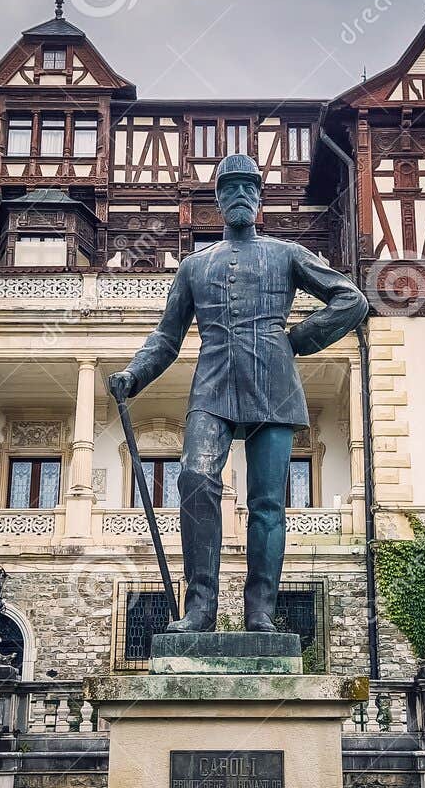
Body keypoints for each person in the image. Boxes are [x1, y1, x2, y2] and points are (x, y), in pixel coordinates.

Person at [109, 153, 367, 632]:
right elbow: (166, 337)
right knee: (194, 478)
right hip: (212, 384)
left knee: (267, 502)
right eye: (231, 189)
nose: (241, 195)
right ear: (219, 201)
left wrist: (297, 341)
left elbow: (351, 299)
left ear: (260, 197)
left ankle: (260, 612)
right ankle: (201, 608)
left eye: (249, 187)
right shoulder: (194, 266)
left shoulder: (286, 253)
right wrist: (134, 374)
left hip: (275, 384)